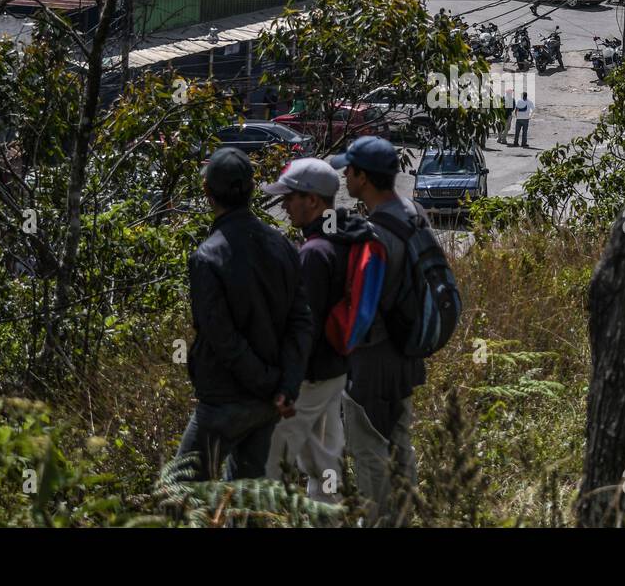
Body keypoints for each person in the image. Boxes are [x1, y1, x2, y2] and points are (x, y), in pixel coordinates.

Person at [176, 147, 313, 481]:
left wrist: (269, 384)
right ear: (252, 191)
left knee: (178, 494)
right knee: (246, 504)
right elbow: (302, 322)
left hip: (225, 400)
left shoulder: (207, 258)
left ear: (207, 193)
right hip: (268, 404)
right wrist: (284, 386)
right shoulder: (283, 245)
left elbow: (223, 340)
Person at [330, 136, 433, 524]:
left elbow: (362, 309)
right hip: (407, 355)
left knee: (370, 451)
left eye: (350, 171)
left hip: (372, 361)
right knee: (400, 442)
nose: (345, 177)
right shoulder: (414, 212)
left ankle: (379, 521)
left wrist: (342, 352)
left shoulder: (373, 234)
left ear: (363, 178)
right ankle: (404, 517)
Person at [263, 159, 349, 503]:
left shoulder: (313, 253)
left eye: (290, 197)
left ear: (312, 200)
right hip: (335, 372)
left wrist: (286, 384)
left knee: (268, 462)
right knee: (324, 462)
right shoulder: (343, 239)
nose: (284, 205)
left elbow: (303, 327)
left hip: (309, 379)